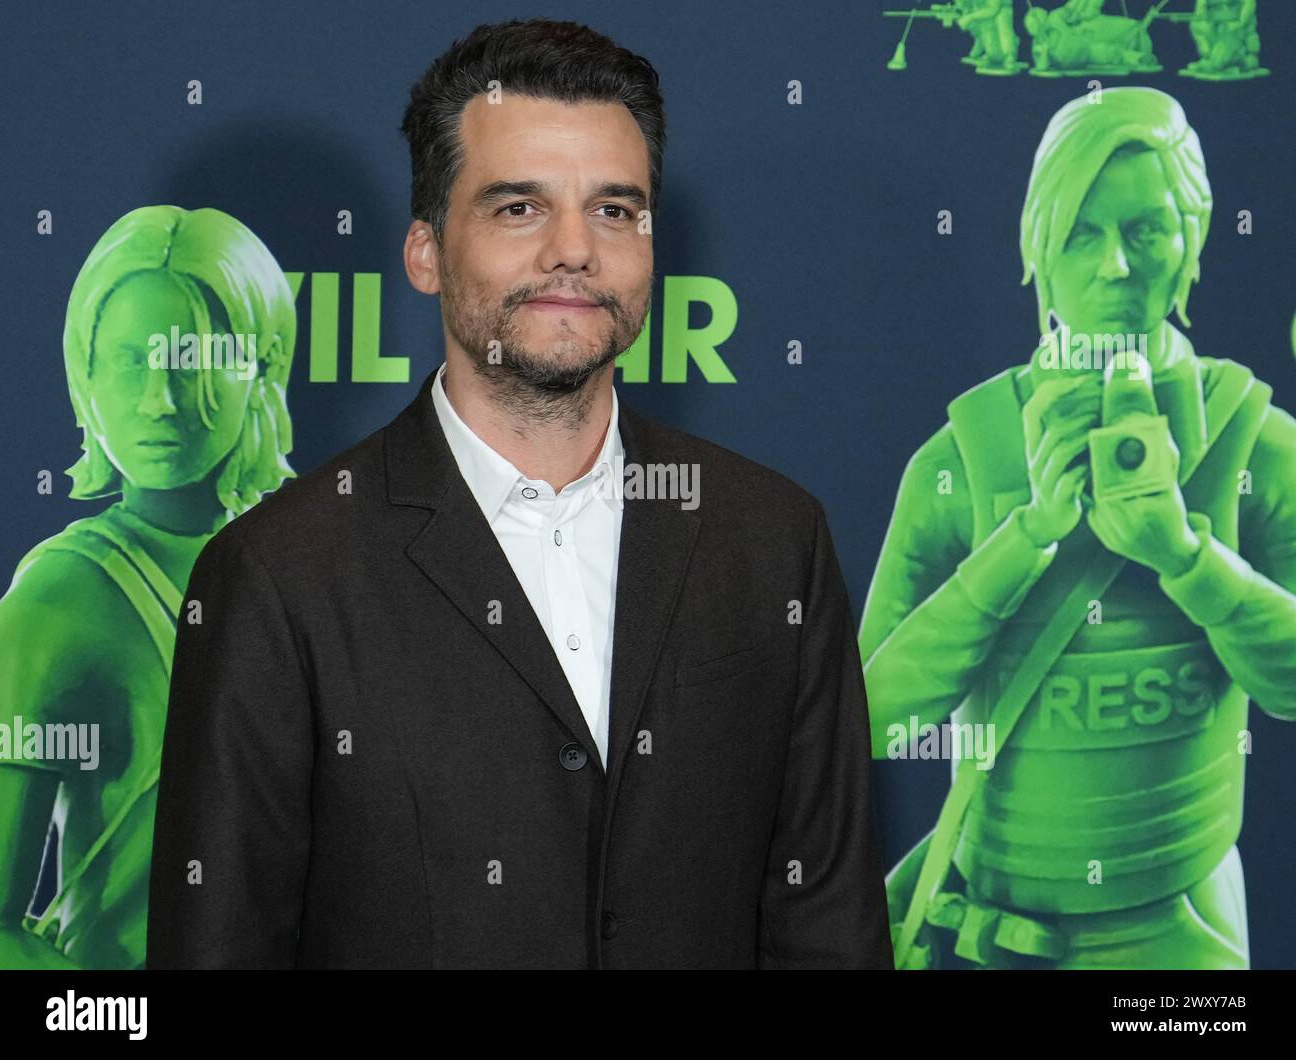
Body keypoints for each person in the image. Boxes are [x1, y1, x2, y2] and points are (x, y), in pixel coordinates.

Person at [146, 17, 892, 970]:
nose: (575, 249)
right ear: (424, 252)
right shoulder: (278, 575)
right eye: (519, 208)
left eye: (615, 210)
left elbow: (831, 934)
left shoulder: (771, 538)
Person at [860, 87, 1296, 969]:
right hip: (993, 929)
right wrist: (1024, 539)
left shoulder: (1258, 443)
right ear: (1038, 249)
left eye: (1146, 230)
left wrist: (1187, 557)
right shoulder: (962, 459)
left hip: (1181, 929)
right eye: (1081, 234)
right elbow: (870, 718)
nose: (1115, 268)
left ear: (1193, 242)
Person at [0, 206, 296, 968]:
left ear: (258, 366)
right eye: (130, 359)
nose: (159, 399)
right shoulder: (59, 599)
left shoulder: (322, 570)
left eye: (191, 358)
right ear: (83, 375)